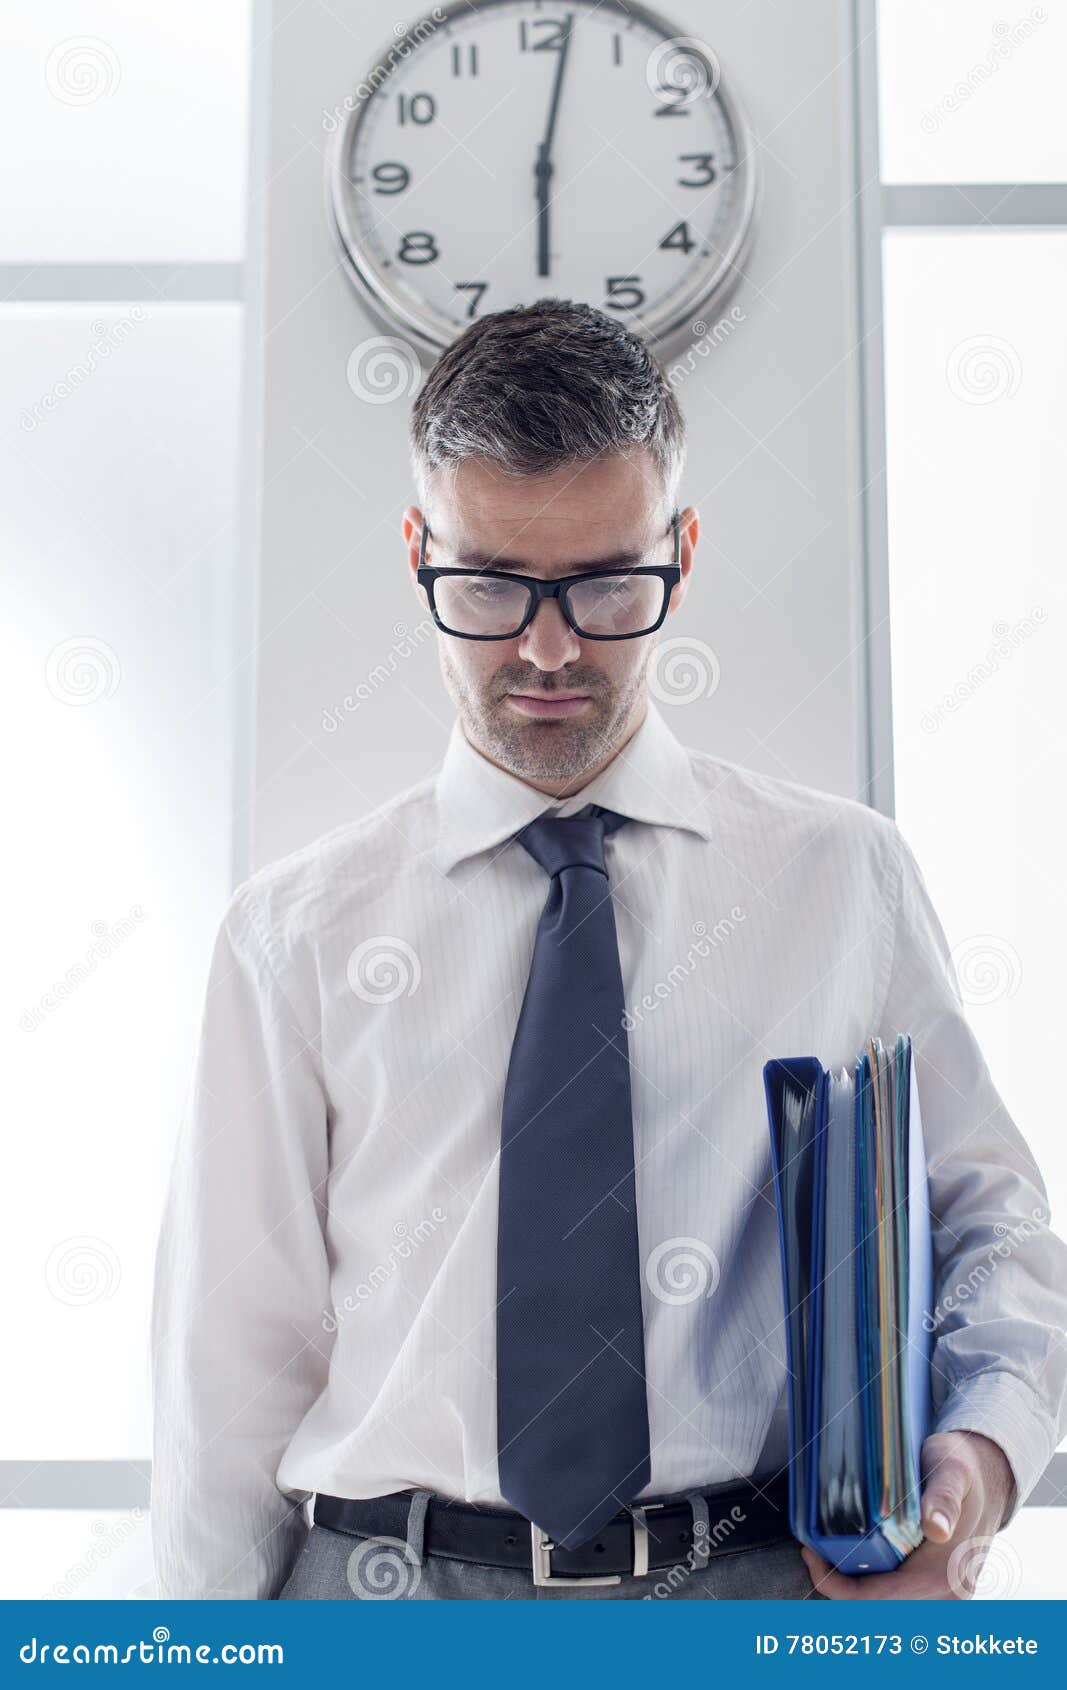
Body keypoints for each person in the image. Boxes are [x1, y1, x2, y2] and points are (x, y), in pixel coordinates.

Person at [150, 299, 1067, 1601]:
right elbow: (226, 1374)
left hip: (749, 1589)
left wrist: (978, 1464)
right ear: (417, 550)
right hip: (388, 1595)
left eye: (605, 584)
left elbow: (992, 1222)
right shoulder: (292, 933)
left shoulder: (841, 880)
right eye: (488, 584)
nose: (547, 647)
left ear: (680, 553)